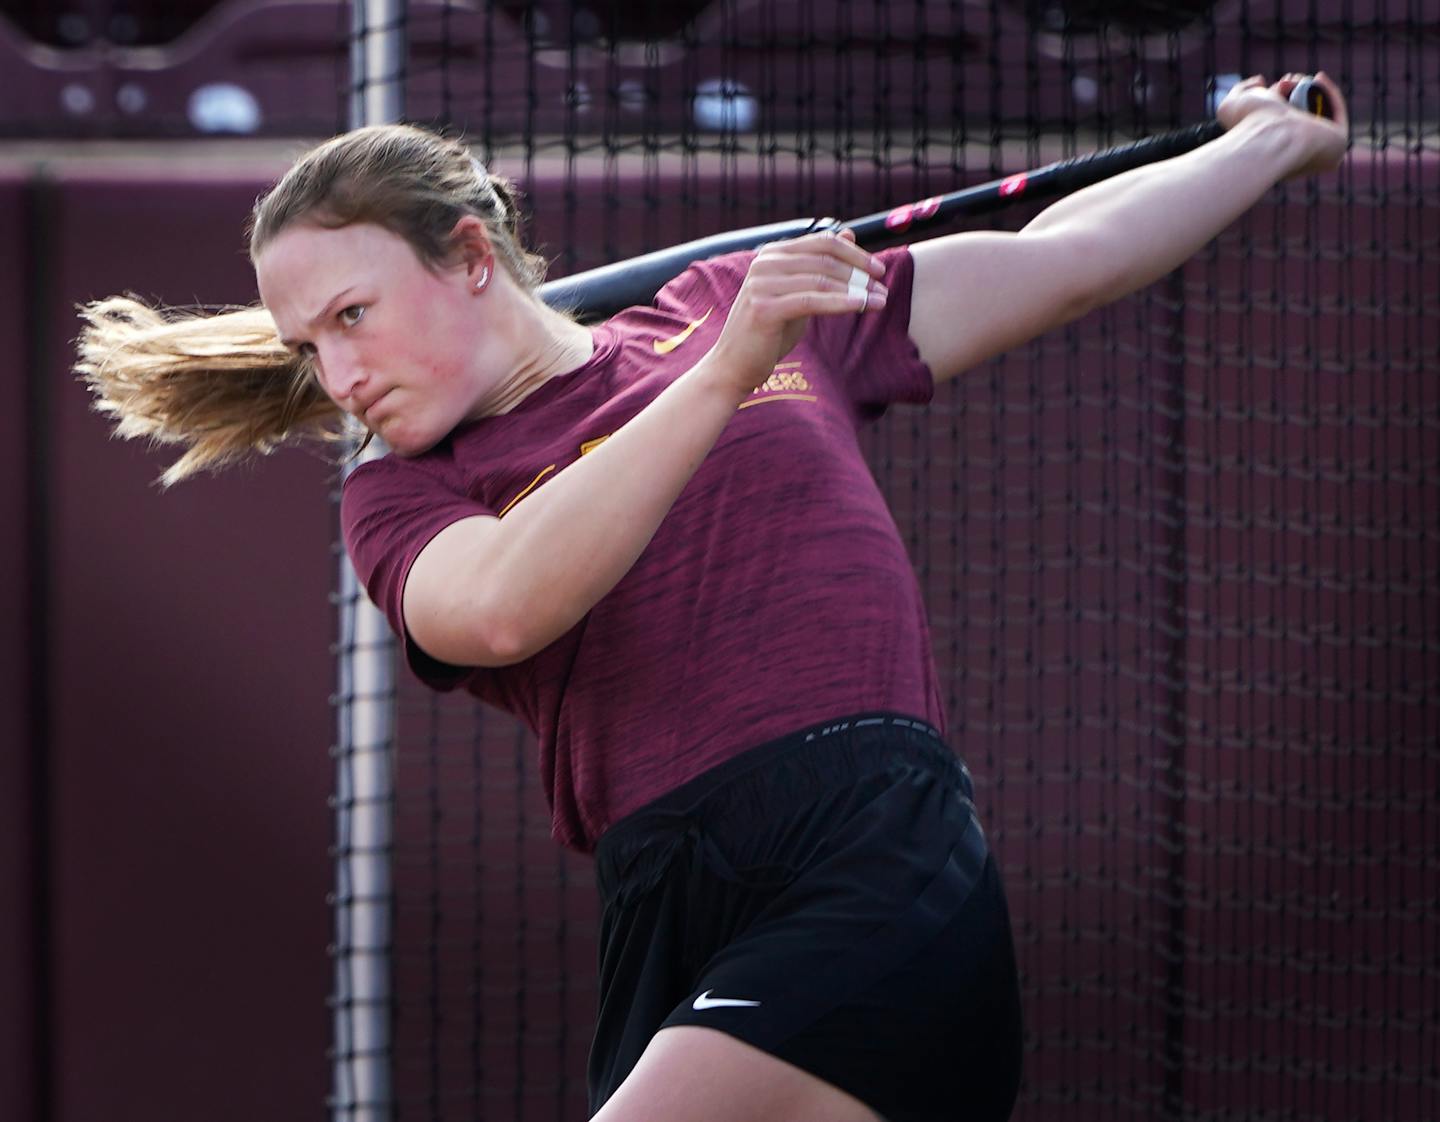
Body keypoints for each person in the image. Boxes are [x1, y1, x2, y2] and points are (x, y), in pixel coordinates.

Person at [77, 72, 1347, 1122]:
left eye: (353, 316)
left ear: (467, 257)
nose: (340, 375)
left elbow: (1064, 254)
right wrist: (728, 370)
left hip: (872, 852)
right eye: (309, 347)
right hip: (669, 908)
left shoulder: (730, 314)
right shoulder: (401, 493)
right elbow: (504, 606)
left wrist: (1267, 143)